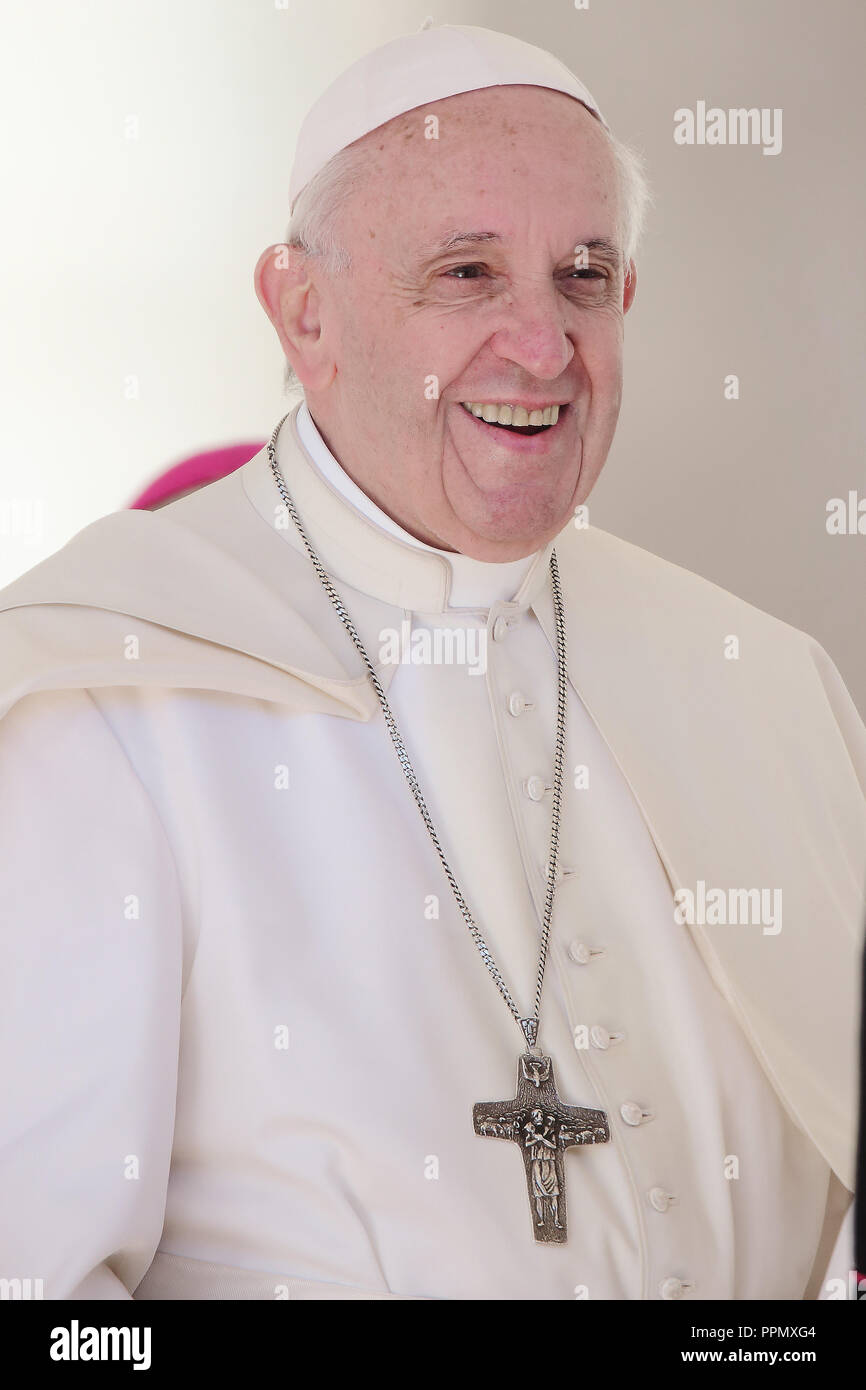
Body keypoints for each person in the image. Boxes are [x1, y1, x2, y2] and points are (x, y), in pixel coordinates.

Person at [0, 22, 863, 1302]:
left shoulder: (761, 684)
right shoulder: (102, 697)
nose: (541, 345)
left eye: (582, 277)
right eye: (466, 274)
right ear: (305, 312)